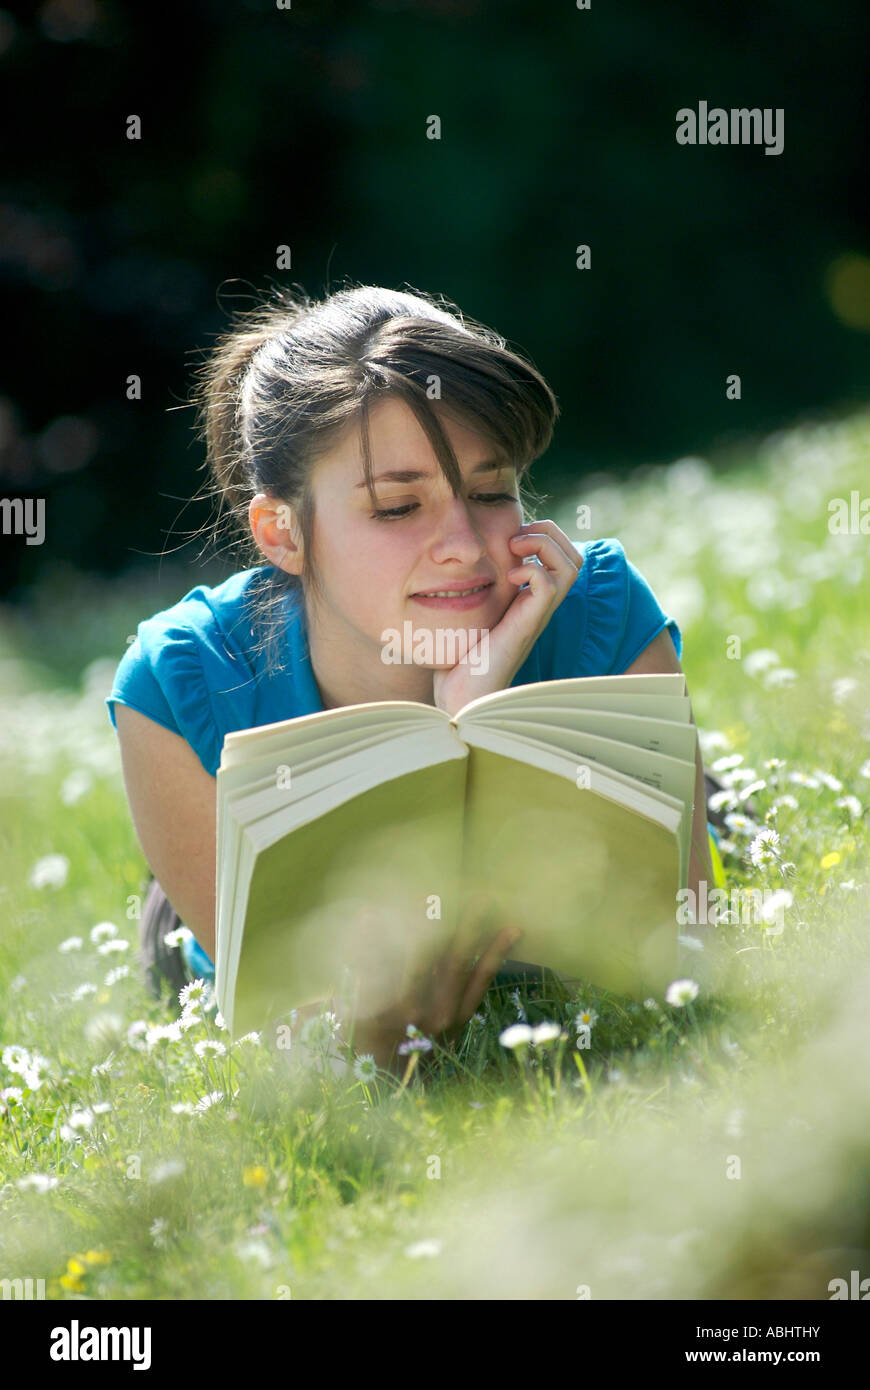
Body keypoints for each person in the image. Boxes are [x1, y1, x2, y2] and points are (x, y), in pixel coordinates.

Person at [105, 281, 728, 1073]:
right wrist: (378, 1044)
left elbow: (699, 941)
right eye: (399, 508)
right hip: (198, 916)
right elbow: (293, 1046)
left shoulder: (597, 611)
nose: (465, 545)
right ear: (283, 532)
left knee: (704, 811)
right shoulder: (177, 682)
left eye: (490, 492)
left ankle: (715, 789)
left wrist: (473, 717)